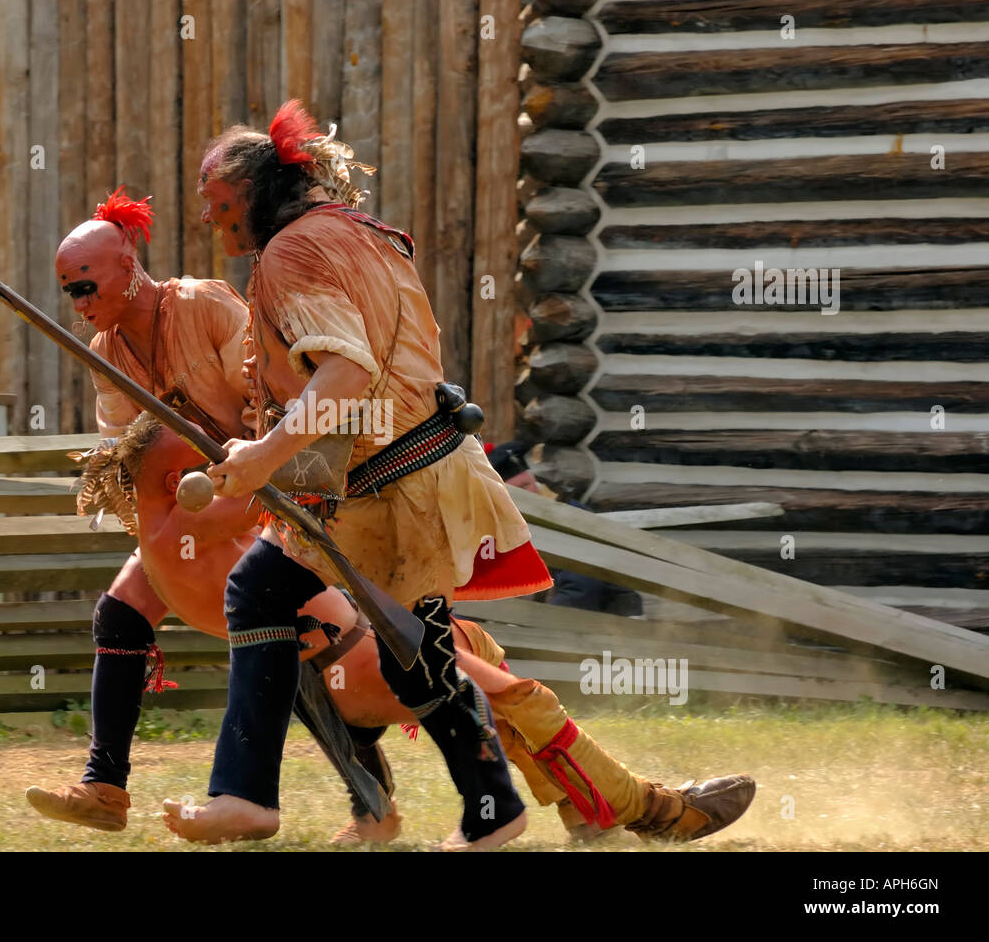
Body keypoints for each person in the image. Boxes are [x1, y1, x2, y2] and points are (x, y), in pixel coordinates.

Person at [163, 101, 756, 849]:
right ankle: (526, 807)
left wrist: (263, 457)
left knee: (381, 637)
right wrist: (270, 456)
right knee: (414, 653)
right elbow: (365, 385)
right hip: (410, 475)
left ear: (253, 192)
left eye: (219, 204)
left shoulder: (290, 254)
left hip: (392, 490)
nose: (212, 223)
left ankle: (261, 797)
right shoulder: (358, 232)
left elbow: (346, 373)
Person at [24, 187, 255, 832]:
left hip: (264, 496)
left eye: (86, 287)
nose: (79, 304)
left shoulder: (207, 306)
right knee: (121, 616)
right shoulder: (106, 353)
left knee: (306, 646)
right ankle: (104, 790)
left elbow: (268, 400)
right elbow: (127, 451)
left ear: (127, 265)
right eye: (70, 293)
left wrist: (239, 477)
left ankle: (369, 802)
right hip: (188, 513)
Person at [486, 440, 644, 616]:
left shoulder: (569, 517)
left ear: (534, 481)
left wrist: (537, 625)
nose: (527, 495)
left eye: (526, 485)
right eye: (517, 492)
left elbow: (580, 589)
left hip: (613, 618)